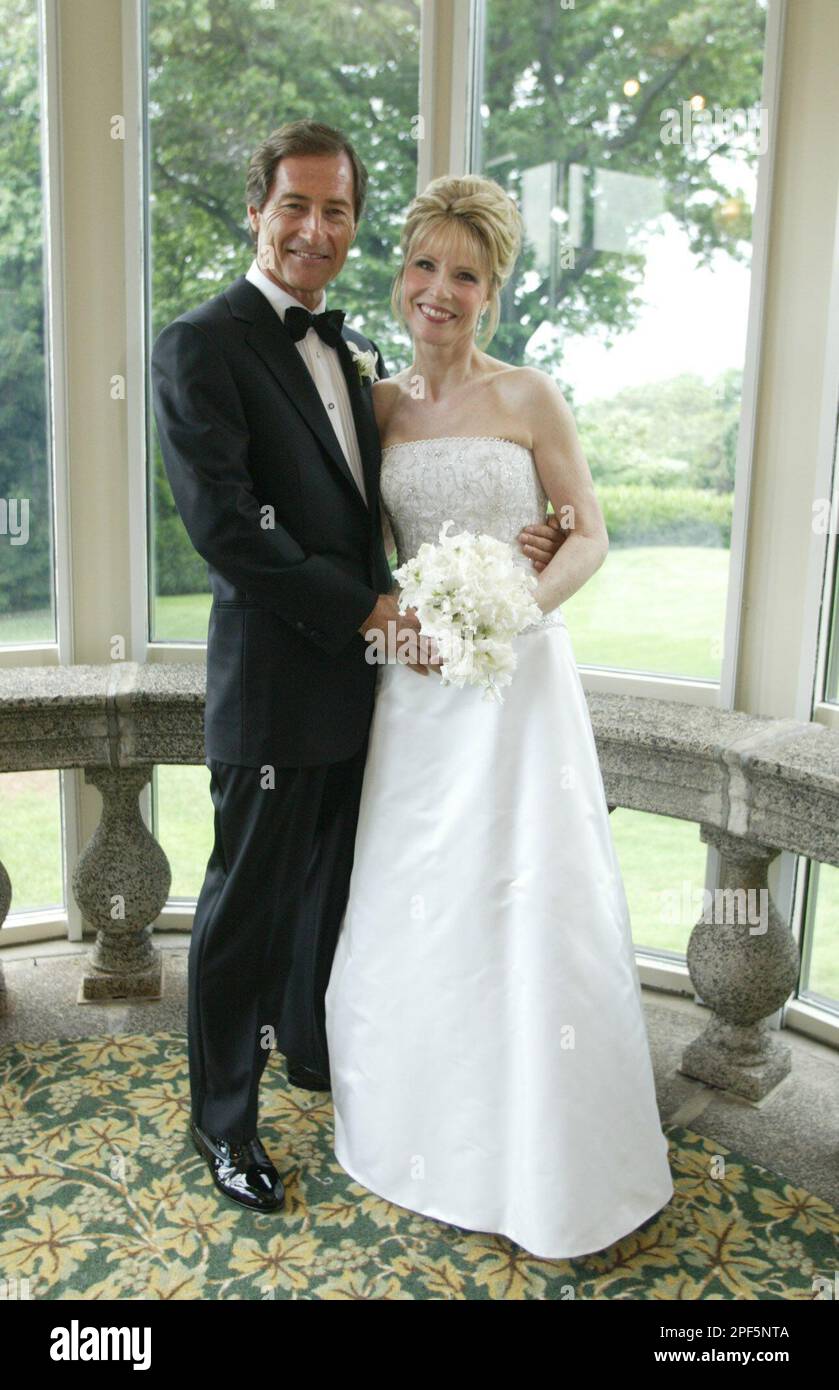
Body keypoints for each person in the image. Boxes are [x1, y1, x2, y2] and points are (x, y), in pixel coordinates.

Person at [150, 122, 563, 1214]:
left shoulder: (355, 363)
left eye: (336, 212)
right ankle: (222, 1122)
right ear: (257, 209)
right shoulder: (200, 343)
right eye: (296, 205)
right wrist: (378, 608)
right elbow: (233, 533)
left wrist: (499, 553)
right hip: (275, 692)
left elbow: (373, 518)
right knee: (243, 907)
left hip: (372, 692)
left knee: (334, 899)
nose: (314, 229)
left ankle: (316, 1057)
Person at [324, 174, 675, 1261]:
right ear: (401, 277)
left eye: (463, 275)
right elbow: (357, 559)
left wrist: (507, 612)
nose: (439, 289)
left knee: (527, 906)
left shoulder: (529, 398)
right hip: (419, 694)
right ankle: (423, 1134)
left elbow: (585, 535)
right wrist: (415, 628)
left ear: (491, 293)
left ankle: (550, 1167)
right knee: (421, 903)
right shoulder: (372, 407)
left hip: (517, 686)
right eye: (424, 265)